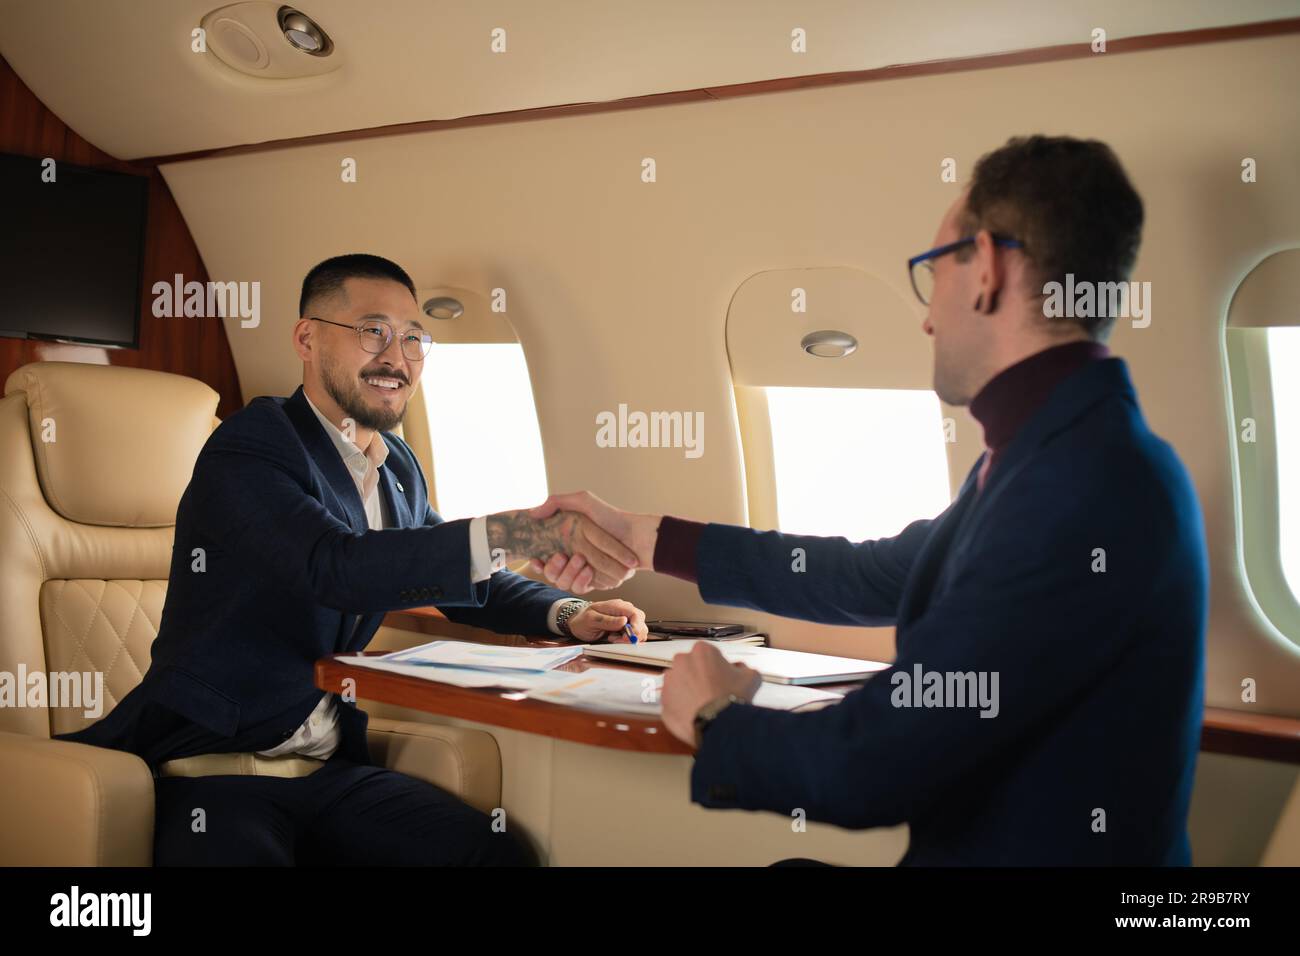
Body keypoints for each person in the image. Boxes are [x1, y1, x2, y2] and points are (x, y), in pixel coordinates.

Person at [531, 136, 1208, 865]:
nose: (926, 317)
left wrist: (717, 713)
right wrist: (640, 535)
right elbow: (871, 574)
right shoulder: (1056, 454)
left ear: (985, 268)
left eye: (930, 273)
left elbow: (871, 768)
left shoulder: (1076, 489)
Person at [57, 253, 645, 865]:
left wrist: (570, 613)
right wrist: (520, 533)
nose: (397, 357)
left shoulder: (396, 466)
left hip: (328, 775)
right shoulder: (250, 447)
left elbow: (461, 575)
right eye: (373, 332)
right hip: (212, 774)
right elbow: (335, 567)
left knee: (495, 856)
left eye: (414, 338)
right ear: (306, 339)